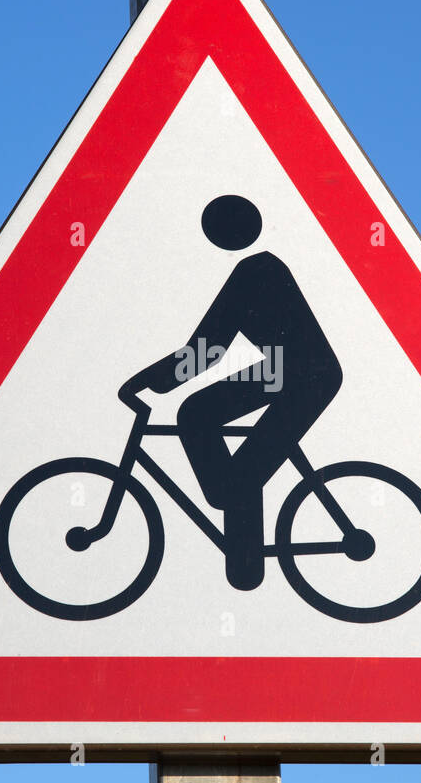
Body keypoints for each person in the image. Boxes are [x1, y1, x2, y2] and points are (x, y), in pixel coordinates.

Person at [119, 195, 342, 590]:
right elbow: (211, 346)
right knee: (196, 413)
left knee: (235, 470)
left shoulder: (257, 270)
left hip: (307, 374)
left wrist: (153, 380)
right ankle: (231, 505)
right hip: (283, 367)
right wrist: (159, 379)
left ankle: (245, 562)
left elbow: (210, 347)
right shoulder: (255, 268)